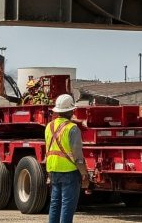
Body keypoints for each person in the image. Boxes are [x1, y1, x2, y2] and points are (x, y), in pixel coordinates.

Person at [45, 93, 89, 223]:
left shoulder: (49, 126)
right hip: (69, 171)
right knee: (67, 206)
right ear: (71, 110)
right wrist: (84, 173)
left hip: (53, 169)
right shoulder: (72, 128)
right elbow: (77, 155)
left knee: (55, 203)